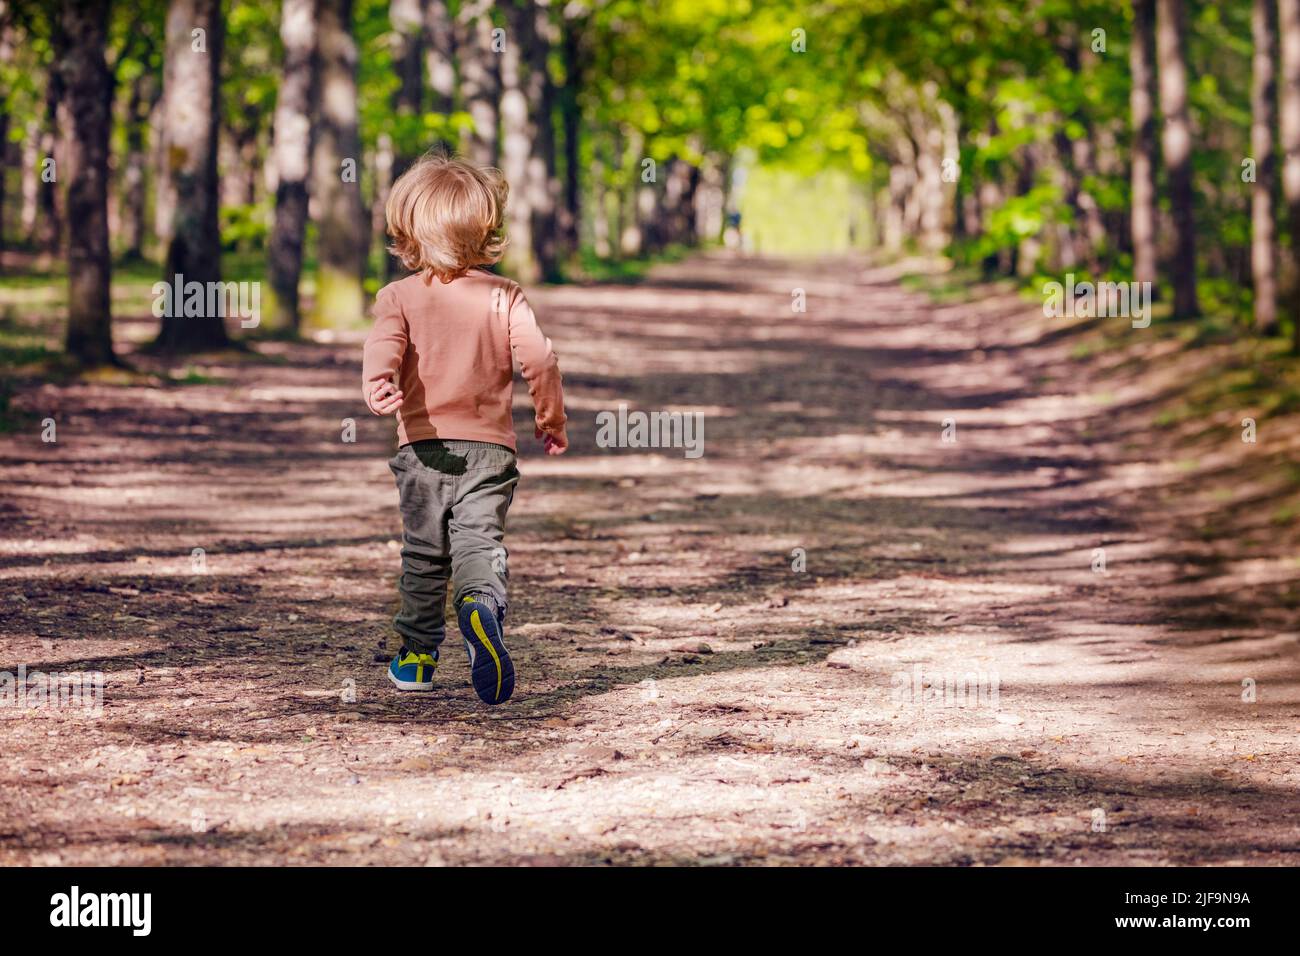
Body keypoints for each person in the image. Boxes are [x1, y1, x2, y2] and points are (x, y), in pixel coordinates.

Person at [362, 152, 568, 705]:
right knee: (479, 540)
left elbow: (384, 345)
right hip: (490, 452)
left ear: (407, 229)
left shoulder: (398, 297)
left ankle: (417, 657)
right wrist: (550, 419)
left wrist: (378, 382)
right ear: (486, 229)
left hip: (423, 450)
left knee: (425, 553)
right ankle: (480, 605)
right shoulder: (505, 296)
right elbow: (541, 361)